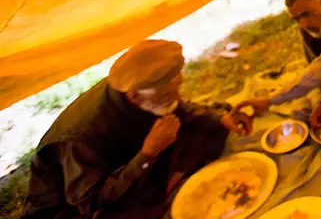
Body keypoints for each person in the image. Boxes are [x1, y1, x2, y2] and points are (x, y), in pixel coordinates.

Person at [21, 40, 254, 219]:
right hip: (76, 206)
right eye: (165, 94)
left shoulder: (142, 88)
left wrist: (218, 118)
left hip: (130, 159)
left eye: (177, 88)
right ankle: (162, 193)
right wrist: (147, 155)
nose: (176, 97)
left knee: (210, 129)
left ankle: (165, 185)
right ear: (133, 97)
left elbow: (178, 108)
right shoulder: (82, 136)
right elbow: (88, 201)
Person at [234, 0, 321, 129]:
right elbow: (313, 68)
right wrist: (319, 103)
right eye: (297, 19)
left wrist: (270, 100)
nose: (303, 24)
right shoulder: (309, 30)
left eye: (307, 14)